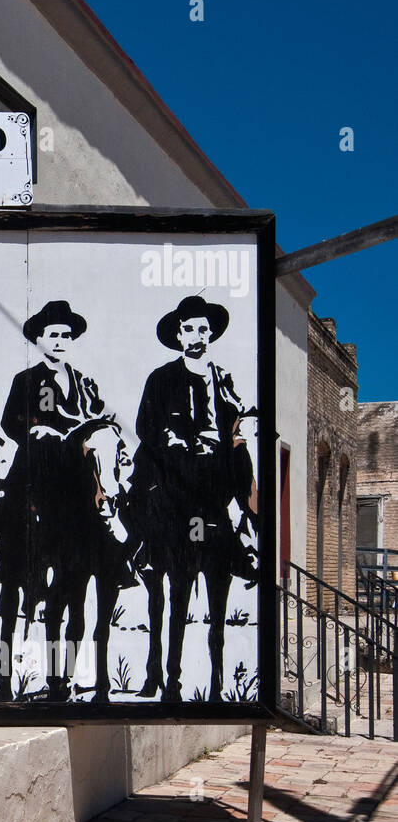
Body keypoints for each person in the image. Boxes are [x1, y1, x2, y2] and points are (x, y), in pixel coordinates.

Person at [132, 295, 257, 702]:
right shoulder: (161, 378)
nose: (197, 336)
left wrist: (233, 435)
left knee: (243, 459)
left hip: (211, 491)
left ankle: (218, 685)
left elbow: (233, 429)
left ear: (210, 334)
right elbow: (144, 429)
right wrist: (174, 447)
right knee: (173, 592)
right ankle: (170, 679)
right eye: (189, 329)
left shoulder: (223, 378)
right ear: (178, 334)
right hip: (175, 489)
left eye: (203, 329)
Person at [0, 300, 105, 701]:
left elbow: (95, 416)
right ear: (39, 339)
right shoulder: (26, 379)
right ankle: (7, 677)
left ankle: (65, 677)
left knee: (78, 580)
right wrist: (36, 429)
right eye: (52, 334)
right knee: (14, 570)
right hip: (35, 478)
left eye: (65, 335)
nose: (59, 341)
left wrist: (90, 427)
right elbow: (10, 421)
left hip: (74, 484)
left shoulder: (82, 381)